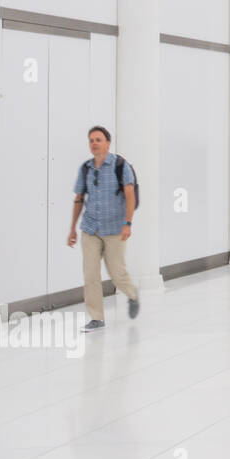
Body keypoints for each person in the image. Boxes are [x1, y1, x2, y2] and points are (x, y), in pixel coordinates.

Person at [67, 125, 140, 331]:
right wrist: (72, 229)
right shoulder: (86, 168)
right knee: (90, 274)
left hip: (115, 228)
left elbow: (130, 196)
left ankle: (132, 295)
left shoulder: (120, 165)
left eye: (98, 139)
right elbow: (79, 199)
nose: (94, 143)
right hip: (90, 228)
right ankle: (96, 317)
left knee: (117, 273)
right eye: (91, 140)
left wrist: (128, 223)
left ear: (108, 143)